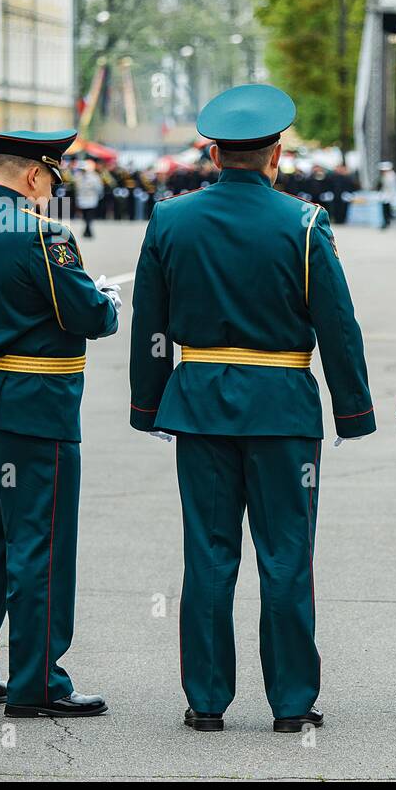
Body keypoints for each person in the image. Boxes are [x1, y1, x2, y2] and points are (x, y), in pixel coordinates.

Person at [128, 85, 376, 733]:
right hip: (283, 411)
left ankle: (206, 701)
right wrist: (352, 409)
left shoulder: (169, 220)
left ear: (212, 152)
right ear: (277, 154)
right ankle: (292, 704)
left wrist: (147, 402)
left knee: (208, 555)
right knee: (286, 554)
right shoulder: (304, 223)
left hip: (200, 405)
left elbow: (149, 324)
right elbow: (337, 323)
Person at [0, 129, 121, 718]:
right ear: (37, 176)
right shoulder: (47, 236)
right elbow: (89, 316)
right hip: (37, 406)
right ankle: (38, 682)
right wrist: (108, 301)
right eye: (51, 182)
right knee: (39, 544)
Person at [74, 160, 104, 239]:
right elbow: (77, 189)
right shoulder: (79, 177)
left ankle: (88, 231)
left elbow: (99, 188)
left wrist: (99, 196)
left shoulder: (94, 177)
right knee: (85, 216)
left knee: (89, 216)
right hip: (82, 199)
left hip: (91, 199)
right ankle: (88, 230)